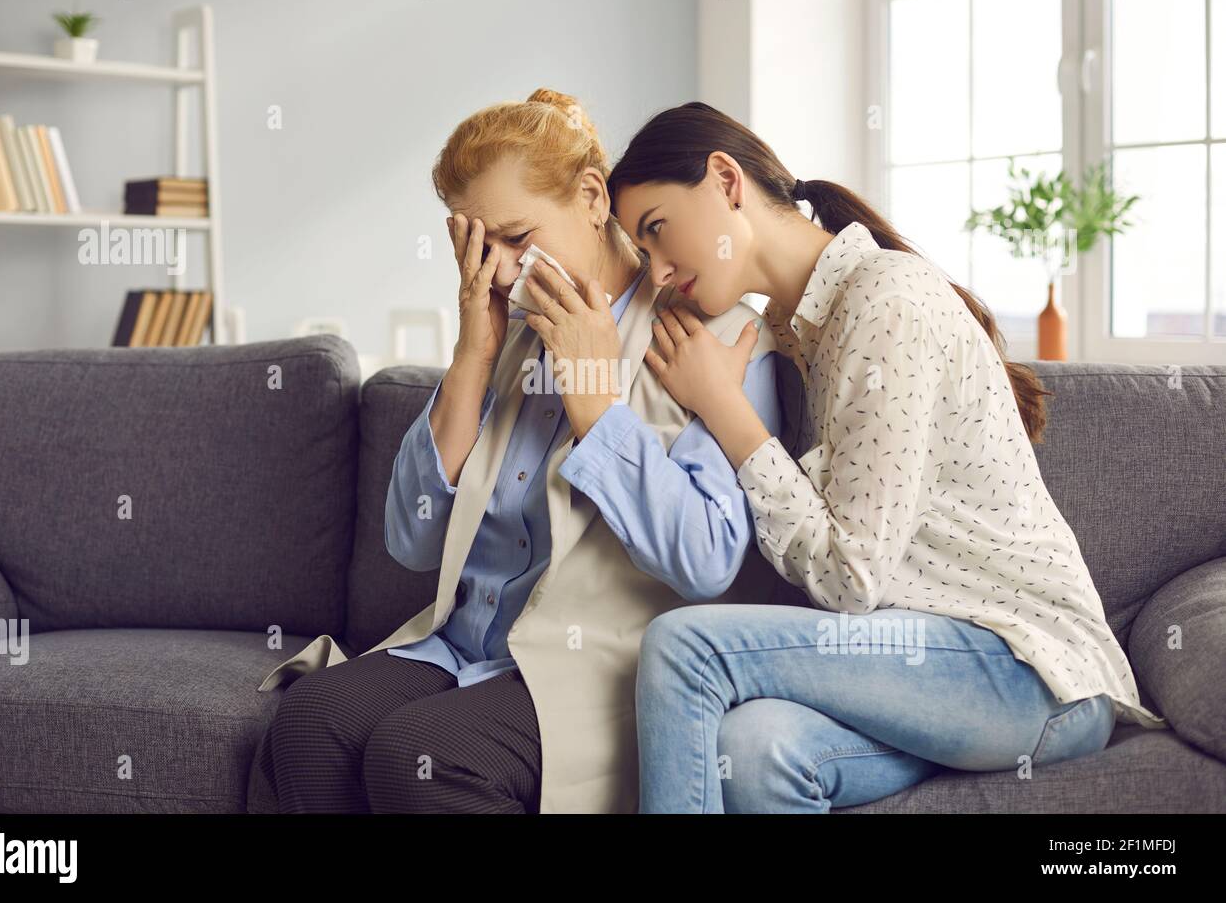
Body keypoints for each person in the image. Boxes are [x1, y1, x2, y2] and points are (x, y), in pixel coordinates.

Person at [604, 101, 1168, 814]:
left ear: (725, 180)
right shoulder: (799, 325)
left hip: (1029, 671)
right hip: (928, 667)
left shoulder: (884, 301)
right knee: (752, 750)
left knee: (684, 648)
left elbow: (852, 577)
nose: (654, 270)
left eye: (656, 229)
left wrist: (725, 409)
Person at [247, 90, 781, 813]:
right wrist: (473, 354)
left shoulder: (715, 339)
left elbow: (707, 562)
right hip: (463, 647)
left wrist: (596, 399)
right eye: (476, 246)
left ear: (593, 196)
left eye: (516, 237)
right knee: (311, 722)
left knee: (422, 757)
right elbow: (411, 540)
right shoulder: (509, 334)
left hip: (594, 669)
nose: (497, 270)